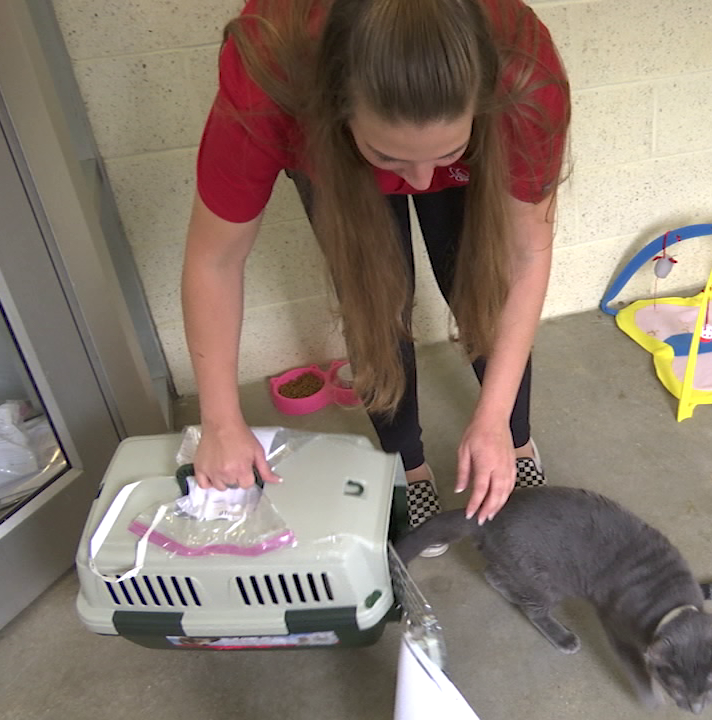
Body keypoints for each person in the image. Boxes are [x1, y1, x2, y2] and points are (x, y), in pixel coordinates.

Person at [181, 0, 569, 548]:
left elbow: (526, 251)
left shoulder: (524, 72)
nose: (420, 179)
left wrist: (494, 417)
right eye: (391, 158)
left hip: (461, 124)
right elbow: (215, 258)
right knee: (375, 301)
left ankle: (514, 439)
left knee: (479, 283)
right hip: (333, 148)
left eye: (446, 151)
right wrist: (220, 421)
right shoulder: (271, 73)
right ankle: (407, 467)